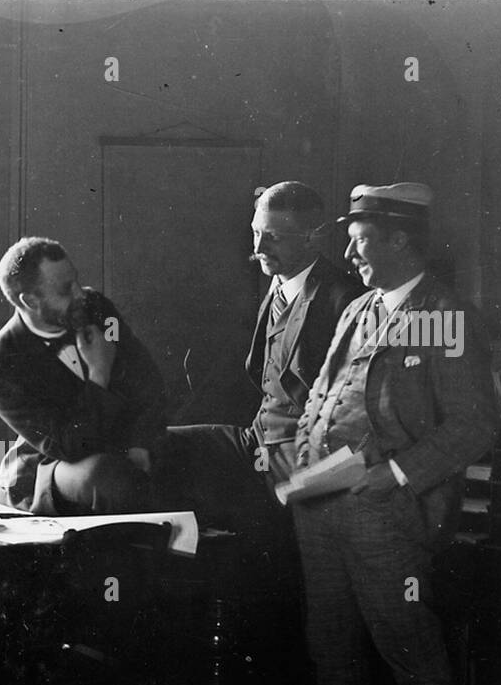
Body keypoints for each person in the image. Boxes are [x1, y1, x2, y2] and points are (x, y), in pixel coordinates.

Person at [290, 182, 499, 685]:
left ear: (401, 239)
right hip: (323, 496)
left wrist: (397, 475)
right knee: (331, 646)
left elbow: (473, 423)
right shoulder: (358, 308)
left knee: (411, 652)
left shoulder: (446, 315)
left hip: (386, 509)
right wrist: (303, 463)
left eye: (360, 243)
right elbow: (320, 395)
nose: (351, 256)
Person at [155, 181, 364, 529]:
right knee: (155, 446)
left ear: (313, 236)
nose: (259, 247)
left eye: (274, 237)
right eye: (255, 232)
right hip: (257, 439)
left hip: (301, 455)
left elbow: (353, 413)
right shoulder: (278, 283)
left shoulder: (343, 300)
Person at [0, 237, 167, 515]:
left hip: (121, 442)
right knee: (111, 478)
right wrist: (99, 372)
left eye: (76, 280)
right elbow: (69, 446)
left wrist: (139, 444)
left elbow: (148, 380)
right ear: (29, 300)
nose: (80, 294)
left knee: (209, 448)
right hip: (49, 464)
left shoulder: (95, 307)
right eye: (66, 289)